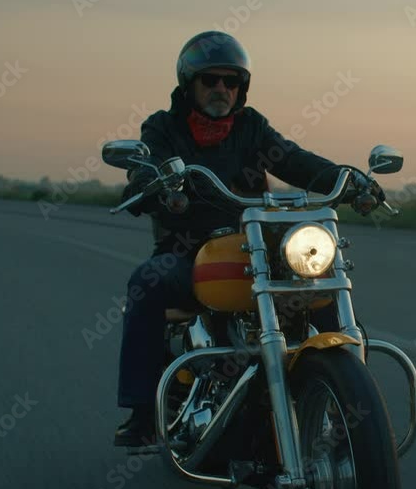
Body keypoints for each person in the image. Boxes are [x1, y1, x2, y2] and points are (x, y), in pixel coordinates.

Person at [113, 31, 382, 447]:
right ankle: (144, 412)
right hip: (191, 250)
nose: (222, 88)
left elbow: (294, 159)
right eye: (211, 80)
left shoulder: (251, 126)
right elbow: (146, 163)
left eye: (231, 81)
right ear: (189, 84)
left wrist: (351, 181)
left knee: (320, 283)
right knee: (147, 281)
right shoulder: (164, 127)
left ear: (242, 87)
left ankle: (350, 409)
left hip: (259, 246)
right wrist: (150, 181)